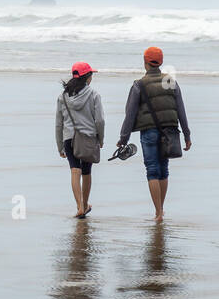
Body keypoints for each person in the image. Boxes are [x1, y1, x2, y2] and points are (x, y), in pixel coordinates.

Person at [116, 47, 192, 222]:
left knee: (152, 170)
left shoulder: (139, 85)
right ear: (161, 62)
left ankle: (157, 212)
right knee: (164, 170)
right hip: (170, 132)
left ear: (145, 61)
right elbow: (181, 109)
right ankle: (161, 210)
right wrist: (187, 135)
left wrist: (123, 138)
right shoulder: (170, 81)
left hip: (149, 132)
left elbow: (130, 113)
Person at [56, 61, 106, 219]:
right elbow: (99, 121)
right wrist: (101, 138)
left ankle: (79, 206)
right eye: (91, 74)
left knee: (74, 170)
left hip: (69, 138)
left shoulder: (63, 96)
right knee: (86, 172)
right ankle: (84, 205)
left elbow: (59, 123)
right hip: (88, 138)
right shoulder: (94, 95)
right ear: (87, 77)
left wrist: (60, 146)